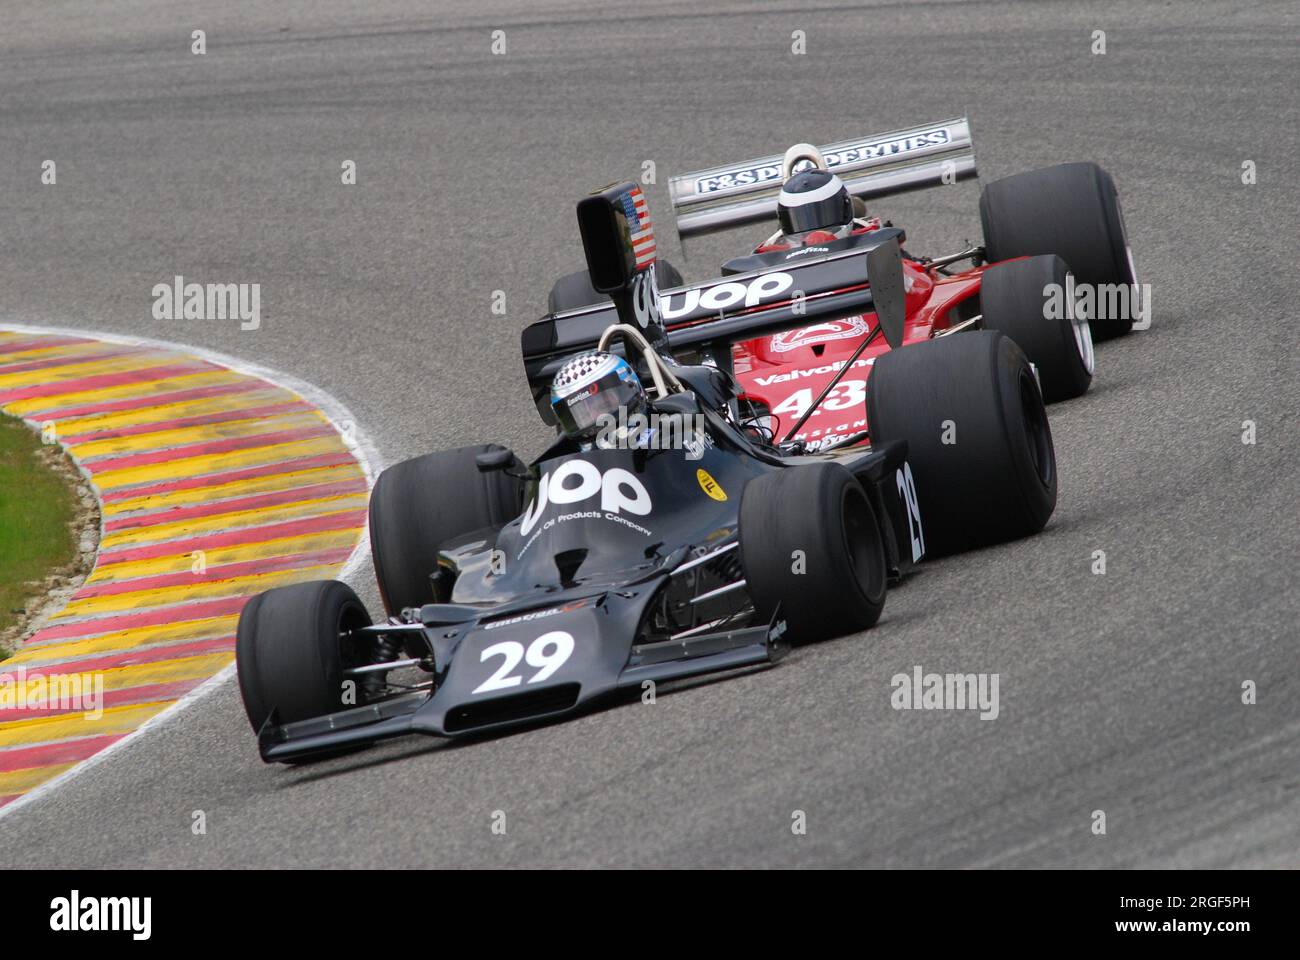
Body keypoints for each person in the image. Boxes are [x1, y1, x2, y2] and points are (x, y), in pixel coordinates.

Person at [550, 350, 649, 448]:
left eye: (604, 405)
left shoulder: (659, 433)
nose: (596, 416)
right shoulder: (571, 460)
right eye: (584, 415)